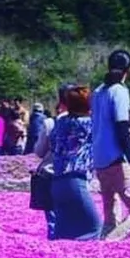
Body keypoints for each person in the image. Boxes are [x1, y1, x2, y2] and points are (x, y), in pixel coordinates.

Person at [91, 49, 130, 241]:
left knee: (110, 215)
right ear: (129, 70)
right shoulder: (120, 91)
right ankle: (109, 243)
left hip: (99, 159)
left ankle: (103, 245)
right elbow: (121, 129)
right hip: (116, 159)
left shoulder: (98, 92)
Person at [37, 85, 102, 241]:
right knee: (94, 228)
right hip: (75, 180)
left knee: (62, 234)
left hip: (57, 182)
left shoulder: (60, 122)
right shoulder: (88, 123)